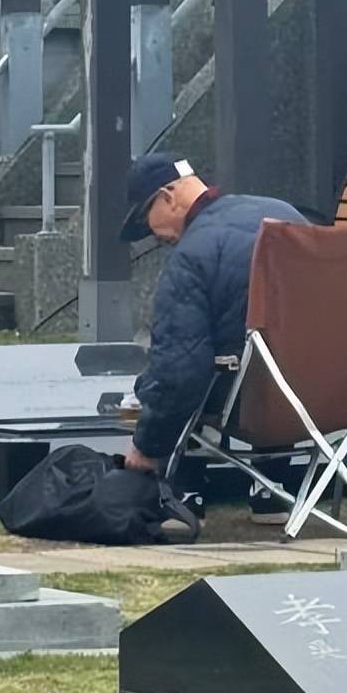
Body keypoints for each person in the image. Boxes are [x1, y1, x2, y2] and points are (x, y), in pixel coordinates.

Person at [119, 153, 306, 523]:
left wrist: (145, 448)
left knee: (169, 379)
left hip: (249, 401)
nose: (155, 235)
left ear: (168, 196)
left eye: (146, 219)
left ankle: (185, 494)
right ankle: (273, 489)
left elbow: (179, 373)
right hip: (333, 394)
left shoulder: (191, 255)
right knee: (277, 349)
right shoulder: (286, 214)